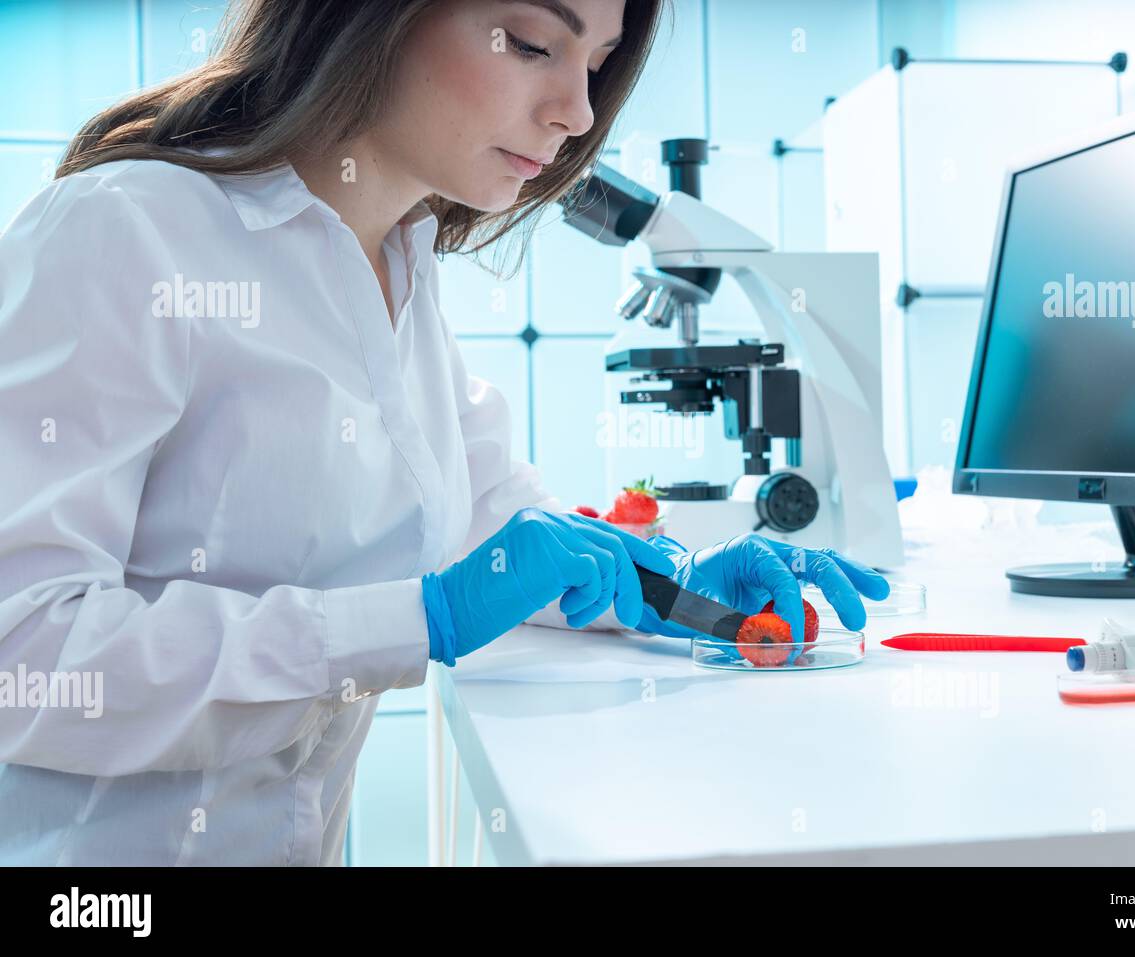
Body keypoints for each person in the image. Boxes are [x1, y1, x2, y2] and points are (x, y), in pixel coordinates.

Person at [0, 0, 888, 865]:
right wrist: (416, 618)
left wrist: (681, 588)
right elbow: (24, 654)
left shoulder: (400, 267)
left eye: (597, 66)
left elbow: (504, 529)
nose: (578, 113)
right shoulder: (125, 230)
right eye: (536, 43)